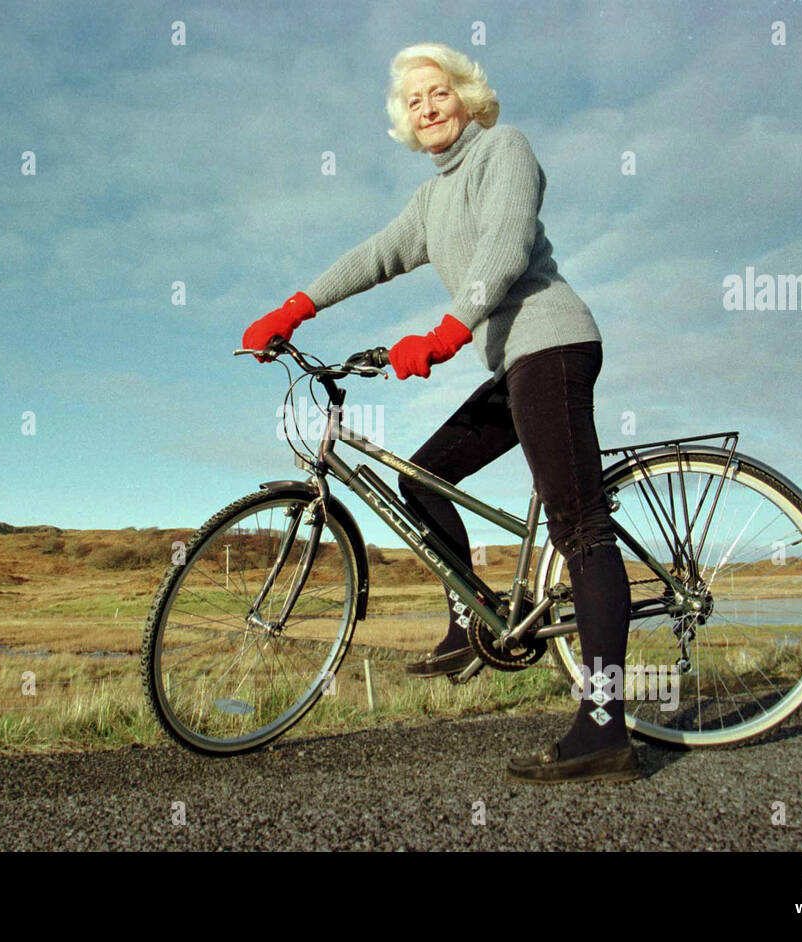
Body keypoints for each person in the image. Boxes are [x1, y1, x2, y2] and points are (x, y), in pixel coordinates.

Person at [241, 43, 638, 785]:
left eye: (438, 92)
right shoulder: (430, 201)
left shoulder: (505, 150)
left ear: (467, 96)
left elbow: (507, 242)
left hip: (552, 345)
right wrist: (294, 309)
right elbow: (374, 255)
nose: (426, 107)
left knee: (578, 528)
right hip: (512, 364)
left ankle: (606, 728)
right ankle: (469, 624)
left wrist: (449, 331)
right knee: (421, 481)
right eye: (413, 101)